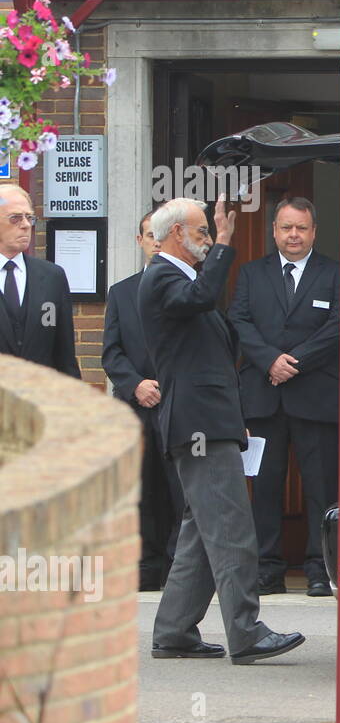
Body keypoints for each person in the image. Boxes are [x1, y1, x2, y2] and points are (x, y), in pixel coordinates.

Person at [140, 196, 304, 664]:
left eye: (211, 234)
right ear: (175, 234)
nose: (208, 240)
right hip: (197, 426)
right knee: (231, 528)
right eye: (202, 232)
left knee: (201, 532)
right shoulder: (163, 277)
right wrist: (226, 246)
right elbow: (201, 298)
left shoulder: (183, 279)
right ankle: (247, 632)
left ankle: (173, 631)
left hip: (210, 423)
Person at [228, 196, 340, 599]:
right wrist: (269, 360)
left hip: (315, 397)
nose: (294, 235)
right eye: (287, 227)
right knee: (265, 486)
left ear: (314, 231)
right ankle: (267, 568)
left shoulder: (335, 274)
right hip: (264, 396)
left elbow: (339, 326)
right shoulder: (251, 274)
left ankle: (317, 567)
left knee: (320, 488)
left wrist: (296, 362)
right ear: (274, 230)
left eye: (302, 228)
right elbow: (239, 320)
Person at [103, 212, 185, 591]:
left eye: (161, 235)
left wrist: (168, 385)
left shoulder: (186, 290)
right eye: (149, 235)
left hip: (176, 405)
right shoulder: (120, 292)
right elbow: (112, 352)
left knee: (178, 489)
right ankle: (146, 565)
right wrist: (136, 385)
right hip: (135, 408)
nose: (155, 241)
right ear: (139, 241)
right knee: (142, 488)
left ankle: (176, 568)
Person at [0, 184, 80, 378]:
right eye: (15, 218)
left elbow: (64, 354)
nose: (26, 225)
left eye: (29, 217)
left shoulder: (53, 276)